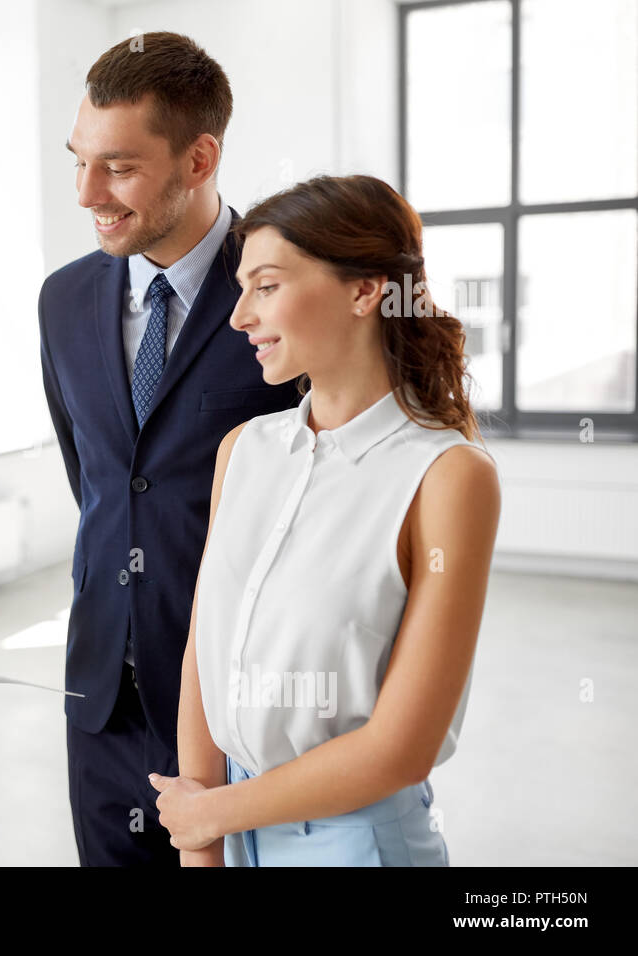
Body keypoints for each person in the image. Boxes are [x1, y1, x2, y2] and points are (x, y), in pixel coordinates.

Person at [148, 174, 501, 866]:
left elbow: (402, 749)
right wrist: (203, 846)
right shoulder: (242, 450)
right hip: (227, 829)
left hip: (353, 844)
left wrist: (210, 814)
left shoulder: (449, 476)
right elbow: (204, 649)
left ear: (365, 291)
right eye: (242, 288)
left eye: (267, 286)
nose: (238, 317)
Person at [39, 31, 302, 866]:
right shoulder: (62, 300)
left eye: (118, 167)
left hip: (242, 698)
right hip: (101, 697)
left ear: (199, 159)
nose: (88, 193)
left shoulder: (288, 290)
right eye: (79, 162)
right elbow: (97, 481)